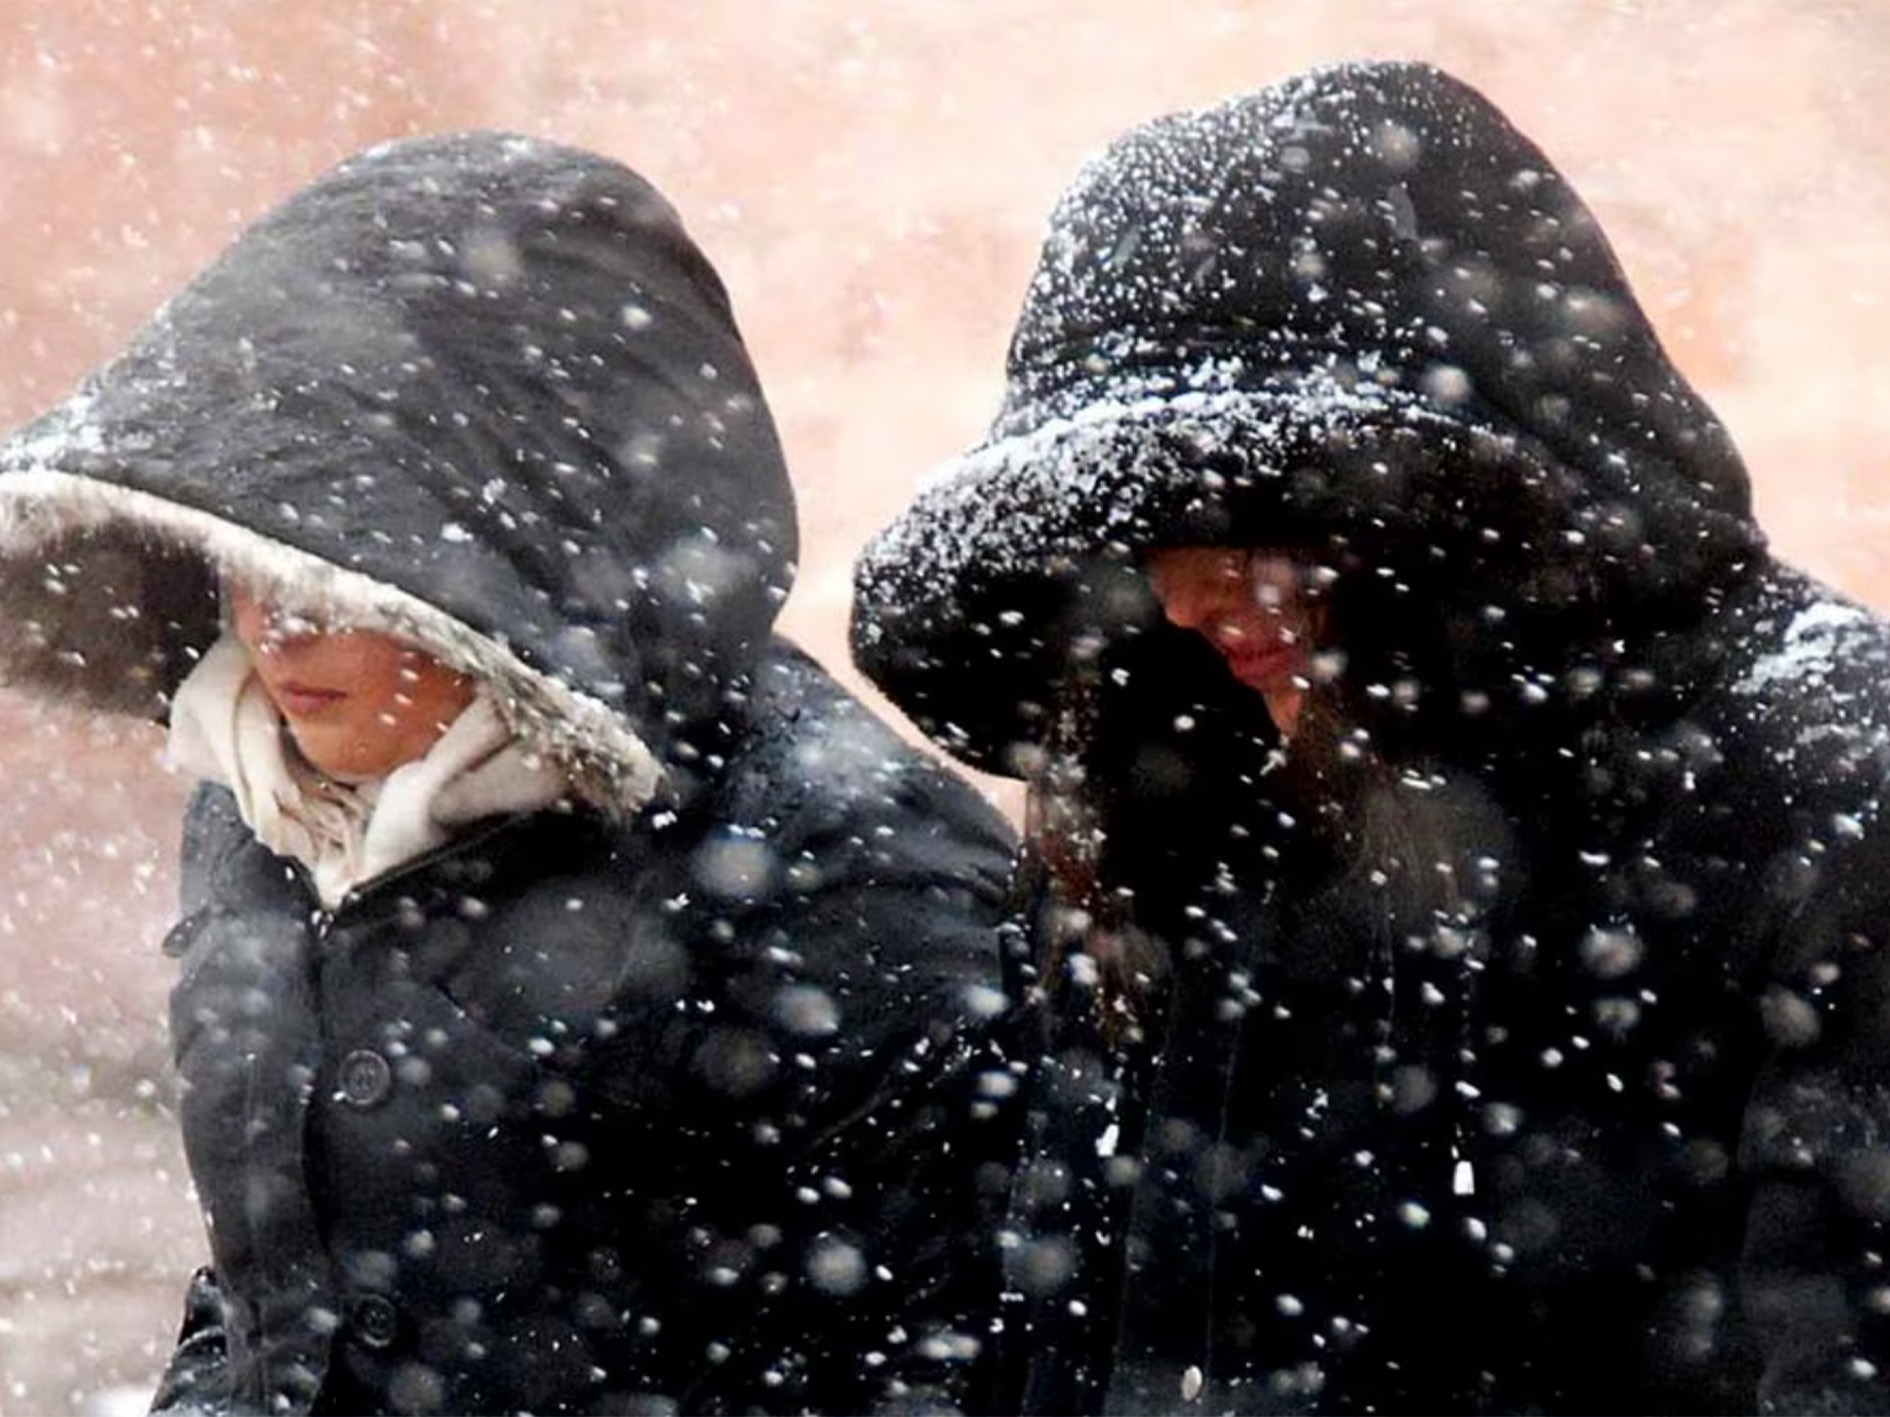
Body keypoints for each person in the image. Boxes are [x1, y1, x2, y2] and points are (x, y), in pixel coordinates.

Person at [851, 59, 1890, 1415]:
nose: (1184, 598)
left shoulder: (1814, 789)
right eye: (1149, 541)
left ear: (1455, 501)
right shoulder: (1187, 817)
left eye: (1253, 521)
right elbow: (1061, 1330)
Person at [0, 131, 1020, 1416]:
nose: (273, 628)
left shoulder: (849, 871)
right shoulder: (269, 788)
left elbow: (951, 1353)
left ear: (520, 552)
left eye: (337, 576)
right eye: (247, 556)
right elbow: (278, 1282)